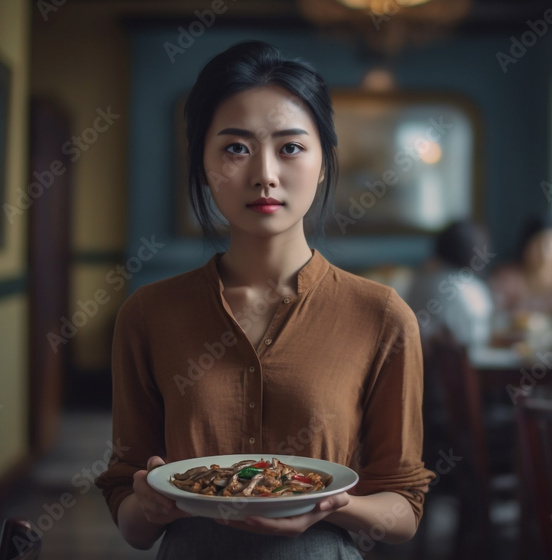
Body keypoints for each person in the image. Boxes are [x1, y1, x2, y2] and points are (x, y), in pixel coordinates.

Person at [94, 41, 434, 559]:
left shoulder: (381, 316)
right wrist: (152, 504)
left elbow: (405, 510)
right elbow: (132, 522)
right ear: (204, 163)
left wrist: (329, 506)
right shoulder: (149, 314)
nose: (265, 174)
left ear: (323, 163)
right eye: (235, 148)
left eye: (291, 147)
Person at [406, 220, 494, 349]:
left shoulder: (420, 279)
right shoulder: (470, 288)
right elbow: (479, 336)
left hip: (418, 361)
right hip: (463, 366)